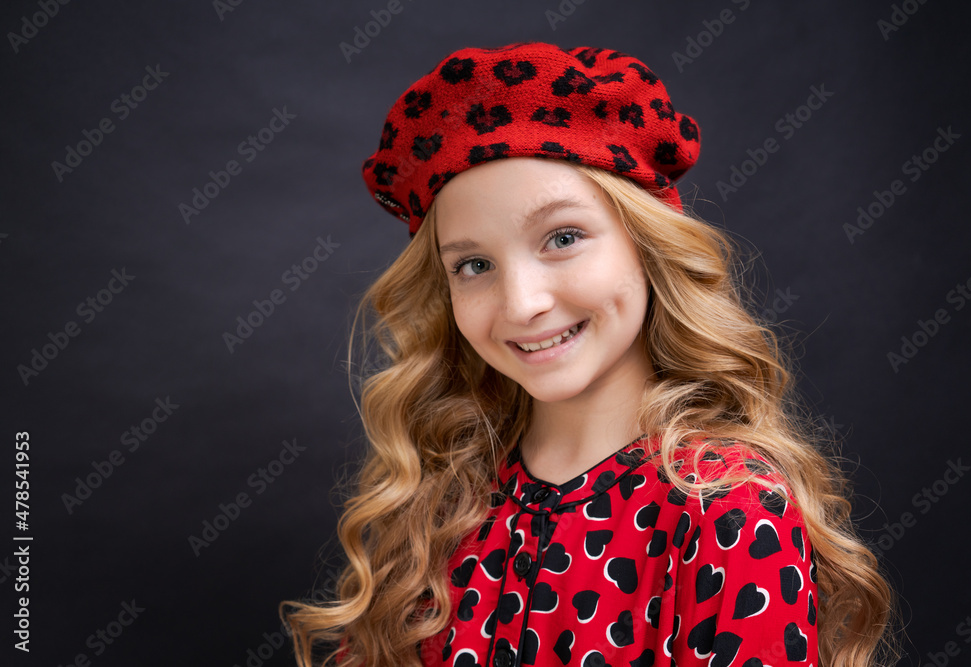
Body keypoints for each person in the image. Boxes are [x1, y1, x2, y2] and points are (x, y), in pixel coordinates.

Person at [280, 41, 898, 667]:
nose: (521, 304)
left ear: (646, 242)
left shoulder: (727, 511)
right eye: (473, 264)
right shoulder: (437, 509)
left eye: (564, 238)